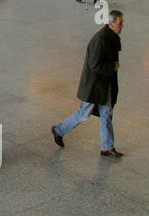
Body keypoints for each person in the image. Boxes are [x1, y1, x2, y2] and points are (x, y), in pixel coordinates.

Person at [51, 9, 125, 158]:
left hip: (104, 86)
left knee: (107, 114)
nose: (121, 27)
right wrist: (112, 67)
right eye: (120, 24)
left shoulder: (112, 37)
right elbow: (94, 65)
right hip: (95, 87)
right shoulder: (100, 40)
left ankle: (107, 147)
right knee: (83, 114)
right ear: (111, 24)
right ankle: (59, 130)